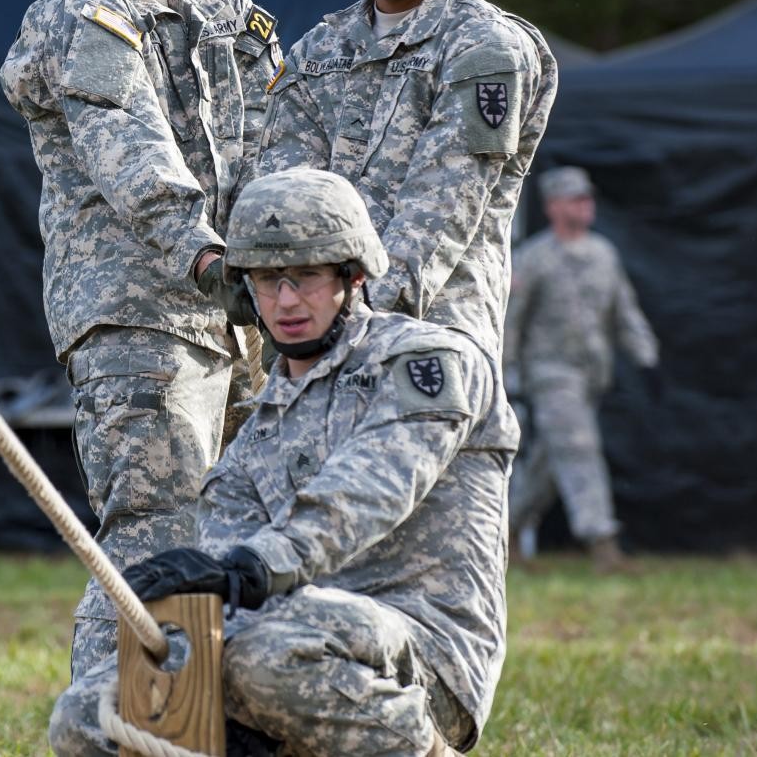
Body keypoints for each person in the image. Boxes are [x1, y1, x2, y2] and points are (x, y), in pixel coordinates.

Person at [48, 167, 515, 757]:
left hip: (423, 648)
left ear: (354, 274)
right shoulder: (258, 432)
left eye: (308, 276)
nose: (287, 300)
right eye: (269, 279)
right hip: (278, 639)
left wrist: (247, 570)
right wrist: (192, 606)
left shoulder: (429, 363)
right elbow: (228, 572)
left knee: (263, 657)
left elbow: (366, 493)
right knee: (91, 712)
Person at [0, 0, 282, 677]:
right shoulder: (78, 17)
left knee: (253, 536)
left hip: (243, 318)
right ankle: (97, 717)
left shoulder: (222, 7)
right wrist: (211, 258)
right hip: (139, 321)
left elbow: (285, 132)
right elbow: (134, 155)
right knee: (153, 539)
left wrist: (300, 257)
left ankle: (222, 718)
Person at [254, 0, 557, 362]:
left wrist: (333, 333)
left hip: (423, 360)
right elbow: (282, 211)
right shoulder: (316, 54)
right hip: (306, 357)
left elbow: (435, 222)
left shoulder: (483, 49)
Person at [504, 165, 660, 572]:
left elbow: (624, 310)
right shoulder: (534, 259)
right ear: (553, 206)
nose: (585, 205)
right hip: (550, 375)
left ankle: (507, 529)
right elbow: (512, 321)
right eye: (575, 198)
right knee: (579, 448)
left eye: (587, 197)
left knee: (551, 462)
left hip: (592, 375)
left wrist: (645, 354)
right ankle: (602, 543)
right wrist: (505, 372)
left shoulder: (603, 255)